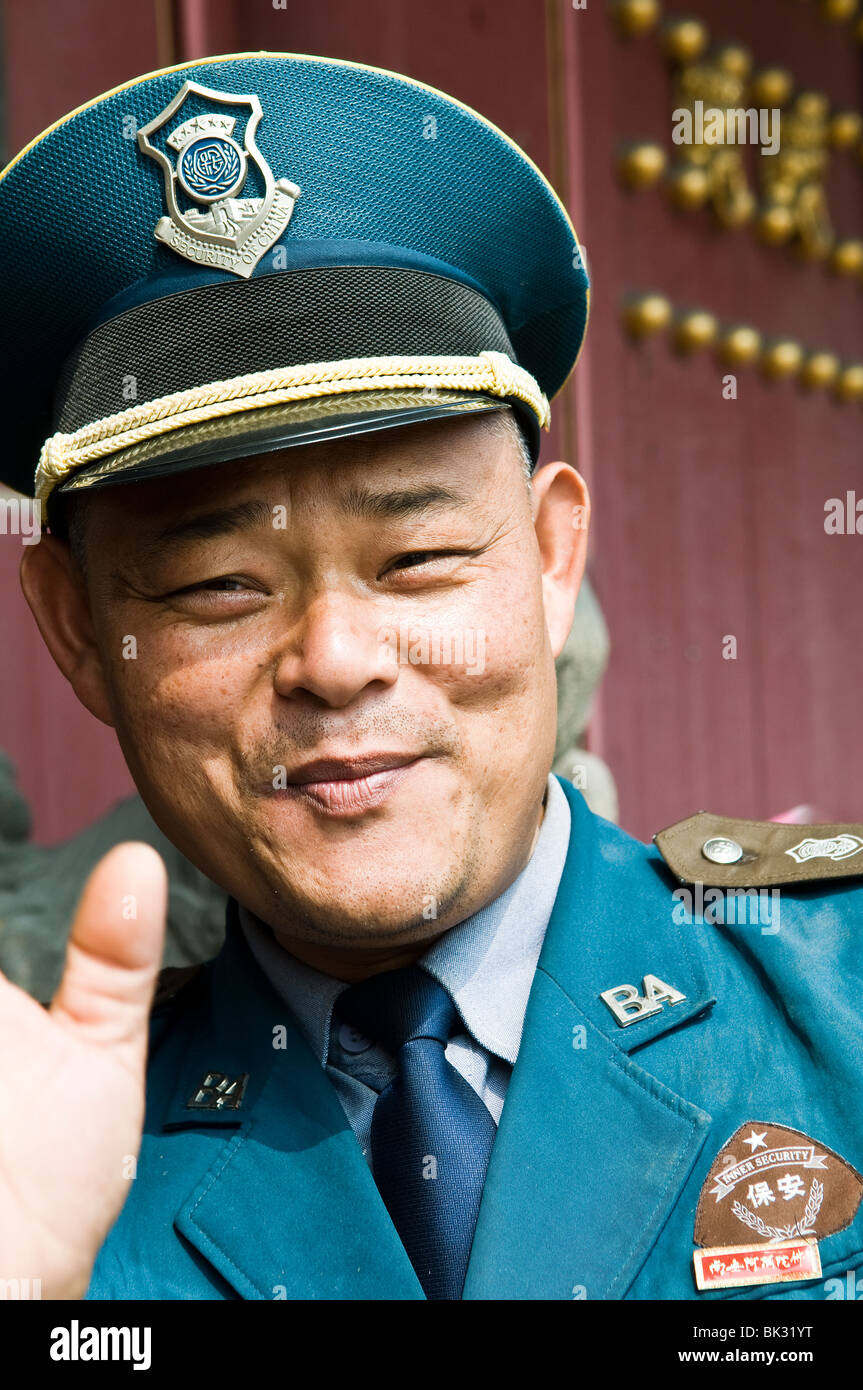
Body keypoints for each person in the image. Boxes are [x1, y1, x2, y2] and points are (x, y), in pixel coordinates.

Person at [1, 51, 861, 1303]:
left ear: (553, 556)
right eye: (219, 586)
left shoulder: (835, 995)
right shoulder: (56, 1165)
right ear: (79, 629)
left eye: (417, 557)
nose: (337, 663)